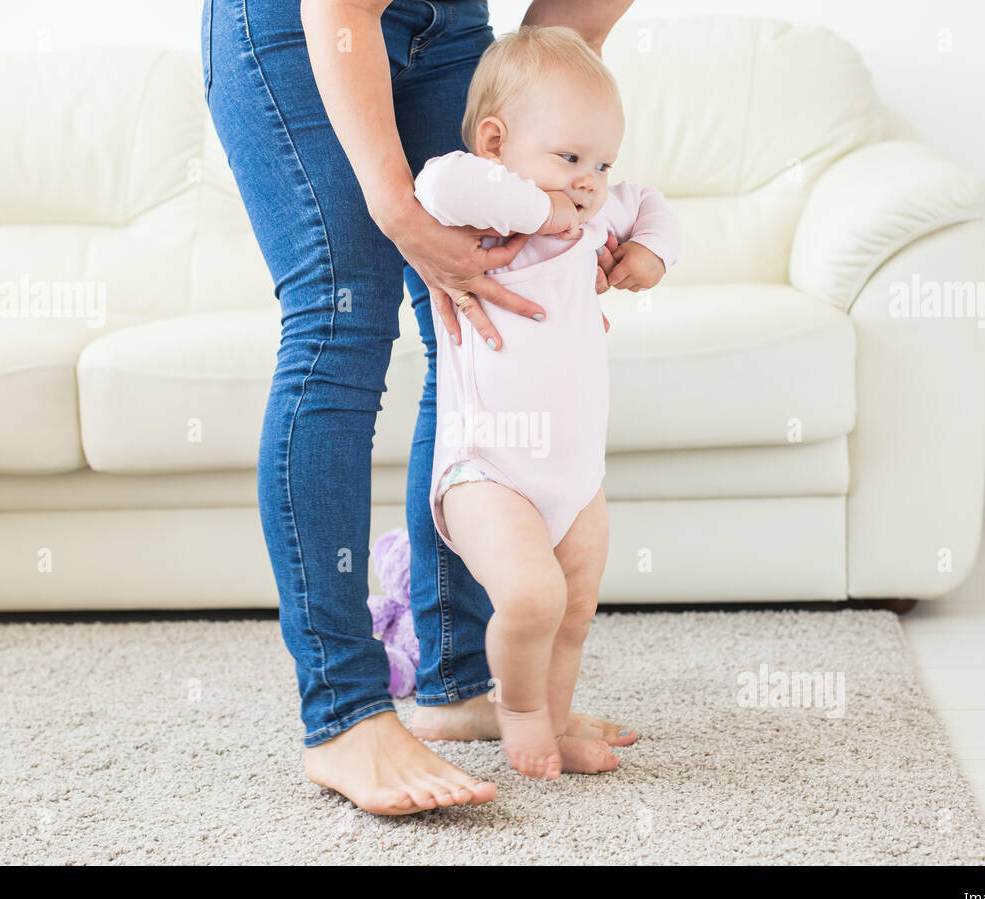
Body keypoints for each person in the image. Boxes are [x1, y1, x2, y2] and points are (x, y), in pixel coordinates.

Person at [201, 0, 635, 815]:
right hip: (304, 22)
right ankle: (343, 715)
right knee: (341, 319)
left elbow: (571, 39)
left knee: (475, 315)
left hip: (452, 27)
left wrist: (570, 240)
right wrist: (400, 212)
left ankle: (457, 681)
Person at [415, 25, 679, 779]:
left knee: (574, 609)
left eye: (600, 163)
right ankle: (519, 712)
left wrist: (649, 253)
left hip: (575, 475)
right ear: (497, 143)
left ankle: (556, 721)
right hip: (488, 471)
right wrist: (540, 210)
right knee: (531, 598)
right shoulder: (482, 212)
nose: (589, 182)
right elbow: (436, 182)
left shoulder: (596, 213)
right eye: (569, 158)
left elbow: (653, 205)